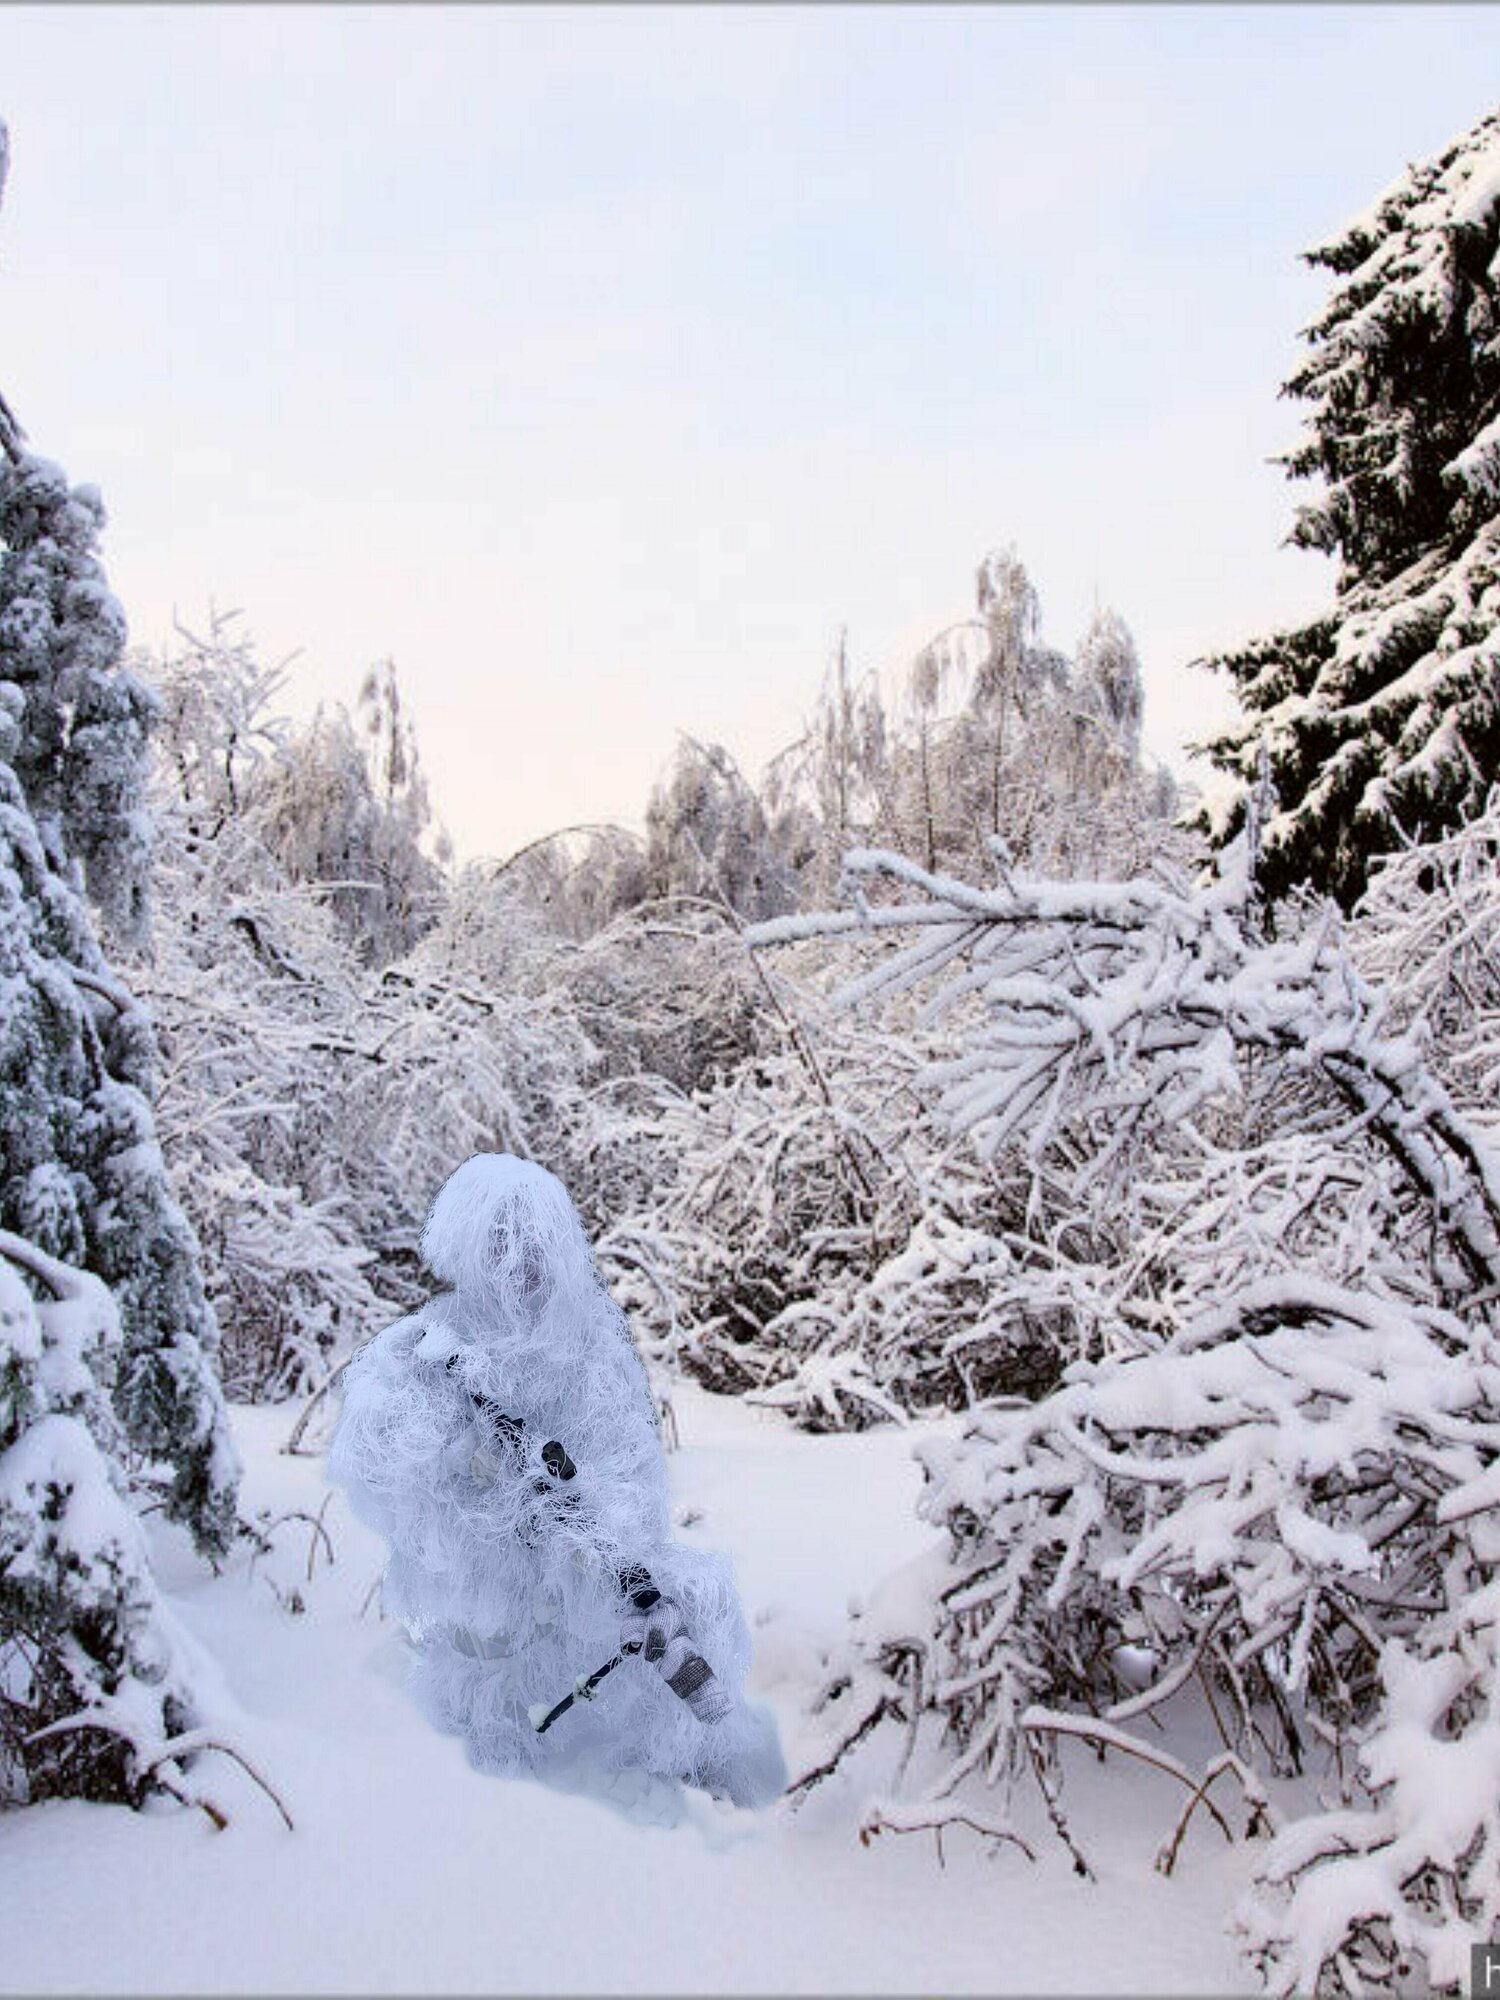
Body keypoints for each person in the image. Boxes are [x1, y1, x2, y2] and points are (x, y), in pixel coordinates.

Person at [327, 1152, 786, 1816]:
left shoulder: (591, 1339)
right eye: (497, 1245)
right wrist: (463, 1463)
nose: (518, 1263)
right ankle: (501, 1813)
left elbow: (629, 1470)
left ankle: (715, 1781)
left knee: (692, 1612)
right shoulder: (427, 1347)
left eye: (532, 1244)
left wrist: (602, 1548)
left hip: (584, 1586)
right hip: (487, 1604)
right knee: (485, 1716)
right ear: (464, 1247)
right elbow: (378, 1472)